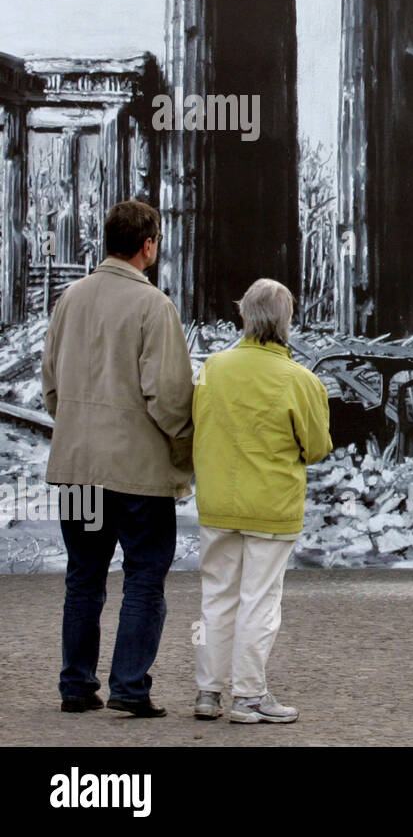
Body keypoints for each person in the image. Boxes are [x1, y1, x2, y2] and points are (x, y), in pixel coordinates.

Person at [42, 199, 195, 718]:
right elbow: (168, 397)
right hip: (138, 476)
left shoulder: (69, 299)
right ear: (148, 246)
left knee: (84, 575)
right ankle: (129, 687)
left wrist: (76, 430)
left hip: (79, 473)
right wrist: (183, 452)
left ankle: (76, 686)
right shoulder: (154, 306)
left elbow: (51, 385)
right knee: (144, 575)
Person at [192, 278, 331, 724]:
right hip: (271, 506)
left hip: (217, 501)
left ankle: (208, 693)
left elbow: (194, 425)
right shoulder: (301, 380)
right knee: (260, 601)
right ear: (286, 321)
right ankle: (249, 697)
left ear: (244, 316)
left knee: (217, 597)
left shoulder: (213, 368)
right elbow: (317, 447)